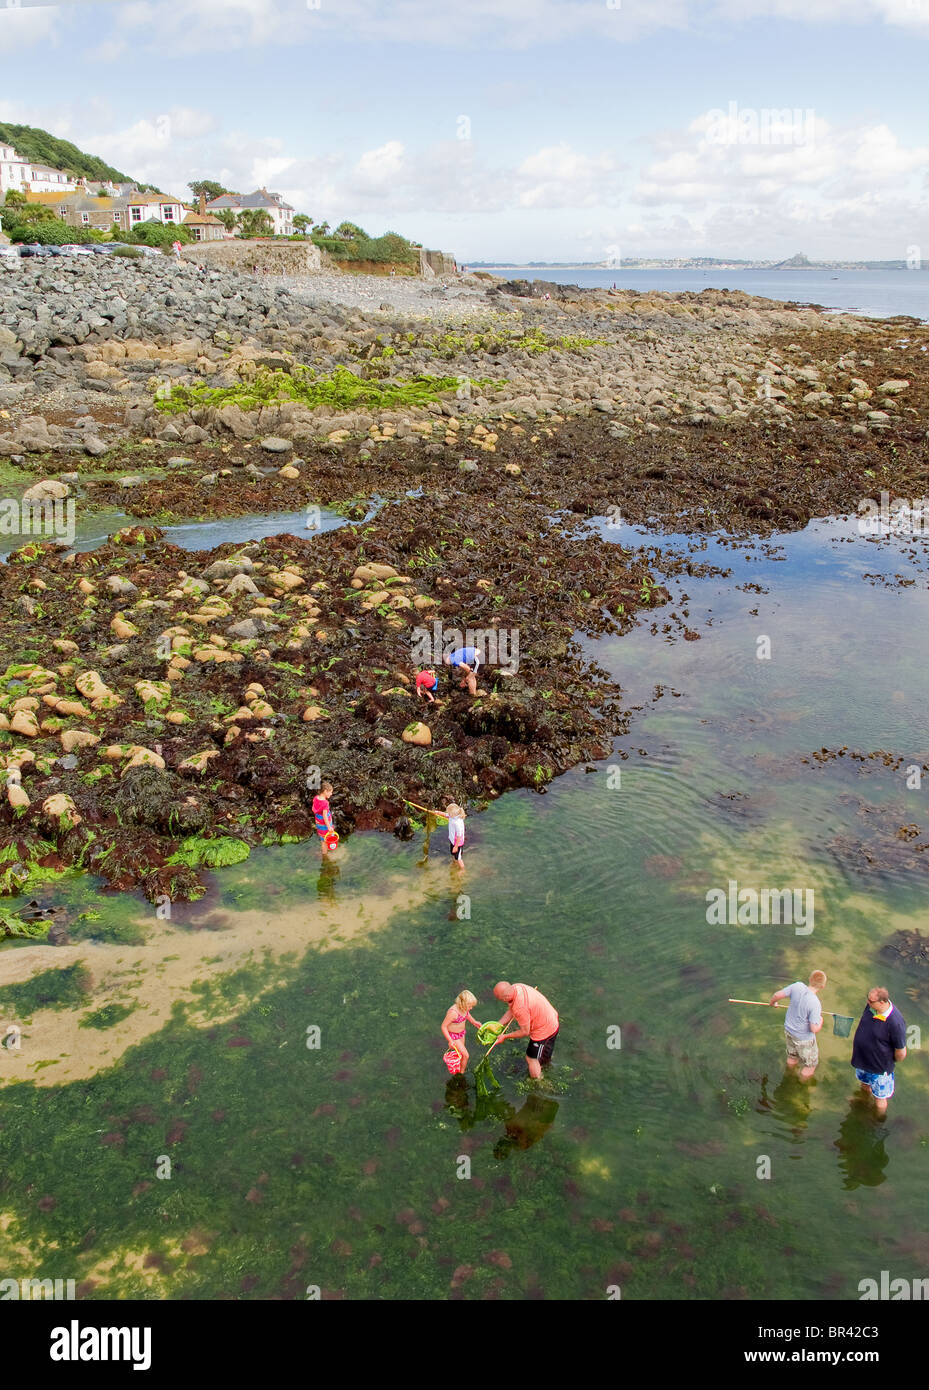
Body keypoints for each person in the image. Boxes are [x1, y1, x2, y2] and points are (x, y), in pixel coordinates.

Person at [850, 987, 907, 1117]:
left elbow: (901, 1051)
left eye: (871, 1000)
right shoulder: (871, 1008)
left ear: (882, 1002)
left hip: (880, 1067)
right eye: (868, 999)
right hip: (863, 1060)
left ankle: (878, 1119)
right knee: (864, 1084)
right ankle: (863, 1103)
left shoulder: (895, 1022)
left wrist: (889, 1062)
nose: (867, 1002)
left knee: (880, 1098)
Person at [490, 981, 560, 1079]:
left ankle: (538, 1082)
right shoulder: (516, 987)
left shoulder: (520, 1007)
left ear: (506, 997)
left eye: (500, 998)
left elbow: (524, 1032)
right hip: (550, 1017)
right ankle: (545, 1061)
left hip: (545, 1030)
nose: (500, 1000)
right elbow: (511, 1010)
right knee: (543, 1055)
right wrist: (497, 1025)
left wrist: (504, 1036)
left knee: (531, 1058)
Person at [768, 970, 827, 1081]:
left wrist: (773, 1003)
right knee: (811, 1065)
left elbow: (777, 995)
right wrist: (821, 1022)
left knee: (792, 1056)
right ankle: (800, 1085)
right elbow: (813, 1029)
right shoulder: (815, 1003)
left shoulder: (797, 986)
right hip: (803, 1038)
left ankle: (789, 1074)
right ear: (823, 986)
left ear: (809, 979)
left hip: (789, 1031)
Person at [441, 989, 482, 1074]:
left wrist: (474, 1021)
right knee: (466, 1055)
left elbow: (467, 1014)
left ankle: (456, 1066)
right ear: (462, 1003)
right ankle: (461, 1073)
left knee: (460, 1053)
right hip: (453, 1036)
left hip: (461, 1034)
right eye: (470, 1006)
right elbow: (443, 1026)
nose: (471, 1008)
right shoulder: (453, 1013)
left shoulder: (464, 1008)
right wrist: (450, 1040)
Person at [312, 781, 336, 855]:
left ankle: (325, 852)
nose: (331, 794)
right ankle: (325, 854)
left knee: (323, 839)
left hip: (319, 823)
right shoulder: (325, 803)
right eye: (330, 792)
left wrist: (317, 820)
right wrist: (329, 827)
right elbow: (325, 816)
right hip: (325, 825)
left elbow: (313, 809)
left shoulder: (316, 798)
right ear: (325, 791)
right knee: (325, 840)